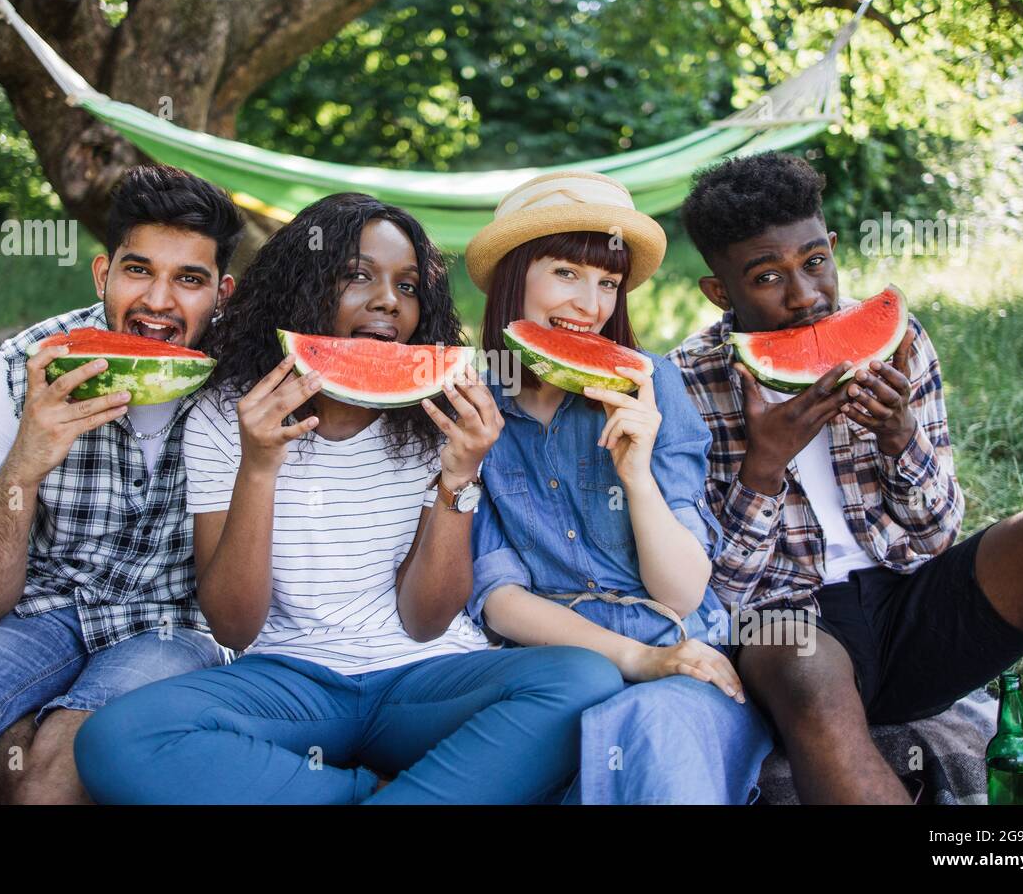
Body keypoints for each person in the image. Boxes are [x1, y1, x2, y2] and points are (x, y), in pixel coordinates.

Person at [72, 192, 624, 804]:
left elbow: (427, 619)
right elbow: (234, 623)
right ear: (304, 286)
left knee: (583, 679)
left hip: (424, 679)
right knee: (117, 739)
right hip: (289, 682)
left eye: (408, 286)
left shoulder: (435, 415)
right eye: (358, 276)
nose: (388, 299)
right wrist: (258, 466)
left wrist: (458, 477)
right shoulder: (227, 413)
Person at [668, 151, 1023, 804]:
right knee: (811, 680)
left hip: (913, 609)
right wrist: (763, 468)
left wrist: (899, 436)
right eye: (767, 277)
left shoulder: (896, 345)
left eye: (815, 262)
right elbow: (712, 599)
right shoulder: (683, 385)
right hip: (787, 628)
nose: (805, 296)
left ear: (833, 247)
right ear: (719, 290)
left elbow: (938, 538)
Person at [0, 165, 242, 804]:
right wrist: (25, 465)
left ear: (222, 293)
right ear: (102, 274)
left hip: (169, 629)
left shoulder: (246, 386)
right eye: (138, 270)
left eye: (188, 279)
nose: (159, 302)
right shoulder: (23, 366)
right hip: (34, 614)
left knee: (53, 770)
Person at [464, 171, 773, 804]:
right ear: (511, 278)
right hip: (555, 662)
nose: (591, 304)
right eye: (566, 274)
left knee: (651, 726)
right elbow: (498, 600)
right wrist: (632, 660)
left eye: (608, 282)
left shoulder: (652, 384)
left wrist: (636, 475)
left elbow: (684, 590)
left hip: (681, 654)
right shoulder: (476, 406)